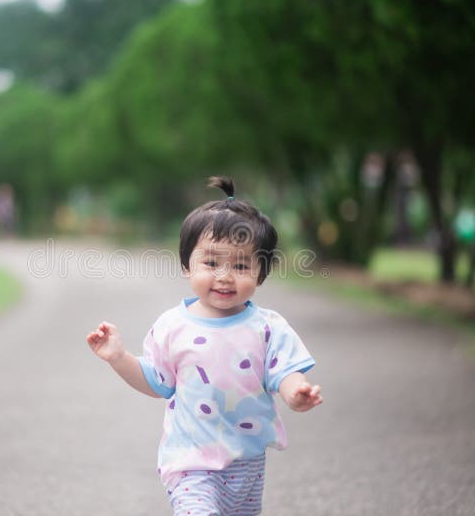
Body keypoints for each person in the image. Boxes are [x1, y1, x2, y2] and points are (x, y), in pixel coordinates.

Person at [86, 176, 323, 515]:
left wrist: (296, 392)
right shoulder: (173, 327)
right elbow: (157, 382)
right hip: (189, 460)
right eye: (211, 263)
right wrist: (119, 358)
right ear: (187, 265)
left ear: (261, 273)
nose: (225, 276)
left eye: (241, 265)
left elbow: (284, 372)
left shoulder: (268, 328)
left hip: (248, 460)